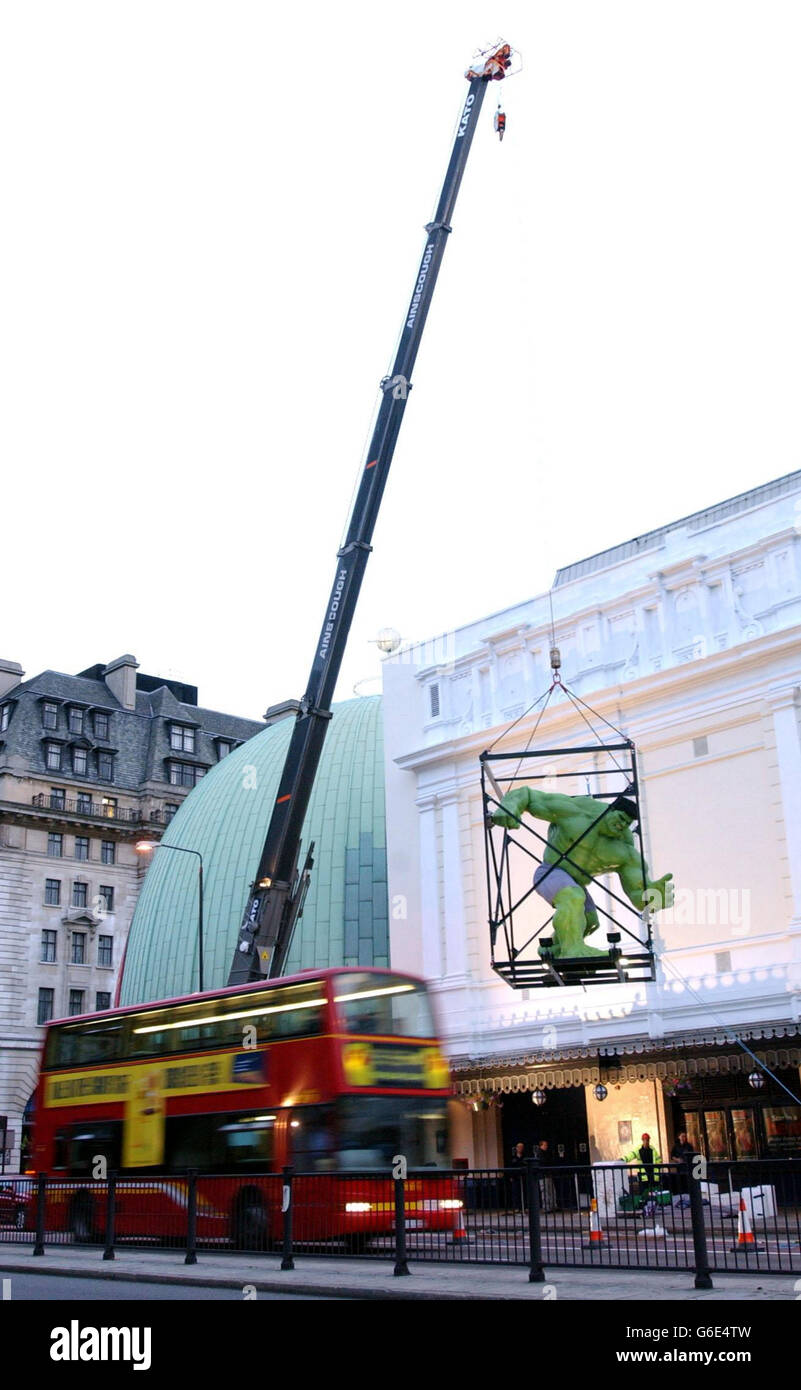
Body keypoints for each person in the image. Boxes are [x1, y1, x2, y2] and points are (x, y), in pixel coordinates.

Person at [492, 788, 673, 959]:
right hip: (550, 871)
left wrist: (651, 899)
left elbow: (637, 895)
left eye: (626, 823)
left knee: (590, 920)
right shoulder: (577, 813)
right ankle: (573, 950)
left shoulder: (624, 849)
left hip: (574, 884)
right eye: (620, 818)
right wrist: (510, 805)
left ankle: (554, 949)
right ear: (609, 811)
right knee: (574, 897)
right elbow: (529, 796)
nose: (621, 825)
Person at [537, 1139, 557, 1213]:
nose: (546, 1146)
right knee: (545, 1191)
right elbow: (543, 1163)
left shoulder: (547, 1153)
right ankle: (546, 1207)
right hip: (543, 1175)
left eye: (546, 1145)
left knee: (551, 1191)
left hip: (548, 1174)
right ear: (541, 1146)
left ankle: (553, 1205)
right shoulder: (539, 1154)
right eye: (544, 1145)